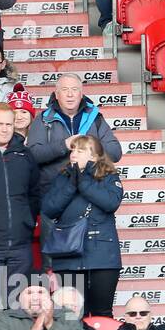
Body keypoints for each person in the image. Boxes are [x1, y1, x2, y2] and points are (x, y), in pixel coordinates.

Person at [39, 135, 122, 318]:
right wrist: (71, 185)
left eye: (80, 150)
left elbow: (111, 203)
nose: (74, 154)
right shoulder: (63, 176)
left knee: (103, 312)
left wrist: (83, 182)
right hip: (68, 256)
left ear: (94, 156)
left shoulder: (109, 176)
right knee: (72, 315)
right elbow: (48, 209)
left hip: (103, 256)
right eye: (73, 150)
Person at [0, 103, 42, 329]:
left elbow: (34, 192)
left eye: (9, 123)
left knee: (17, 307)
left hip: (19, 245)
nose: (5, 129)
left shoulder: (24, 154)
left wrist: (27, 221)